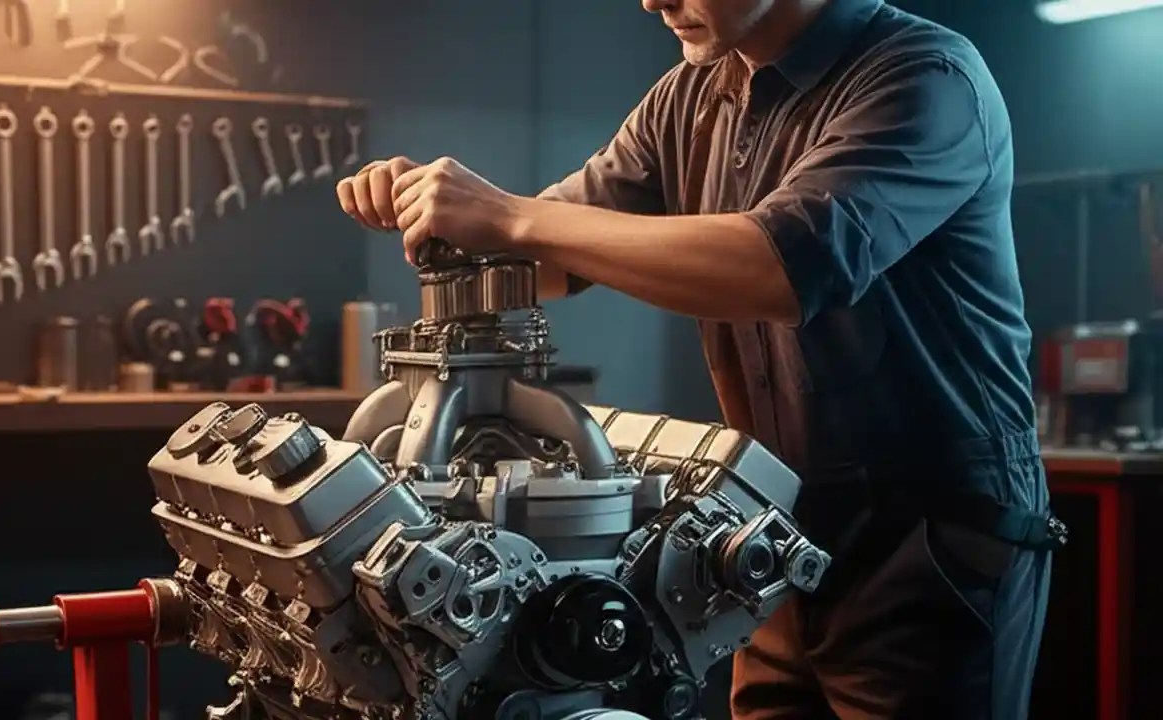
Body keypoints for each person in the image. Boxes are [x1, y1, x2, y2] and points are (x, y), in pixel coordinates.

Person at [336, 0, 1066, 717]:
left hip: (926, 541)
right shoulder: (691, 94)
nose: (652, 0)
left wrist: (510, 216)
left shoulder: (923, 77)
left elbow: (781, 266)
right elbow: (550, 254)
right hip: (773, 524)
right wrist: (443, 216)